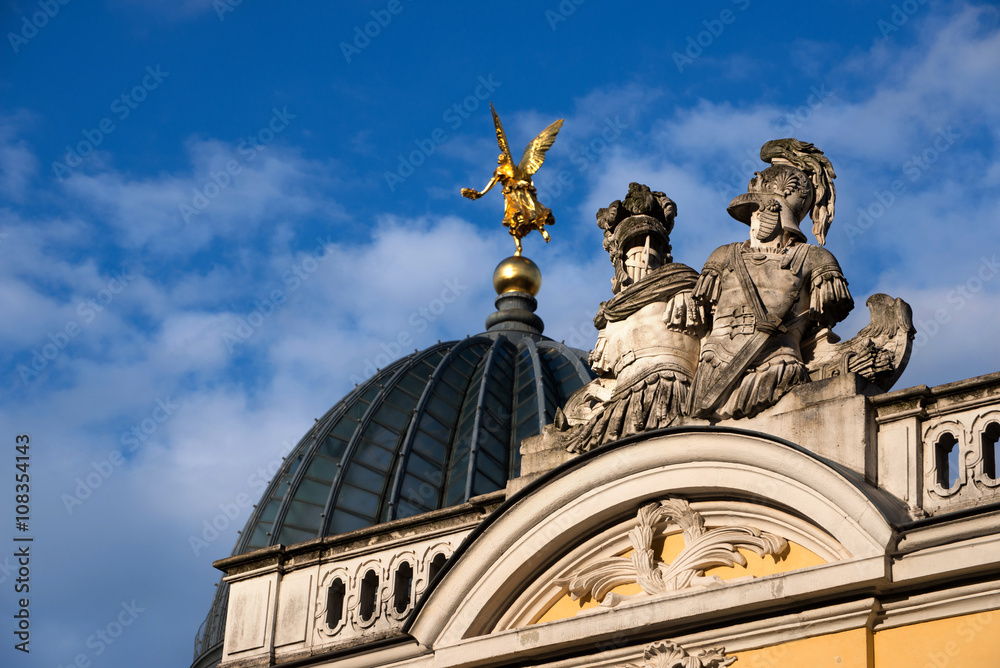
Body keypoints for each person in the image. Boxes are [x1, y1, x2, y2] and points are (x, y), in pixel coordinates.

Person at [689, 139, 853, 420]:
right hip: (713, 368)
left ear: (777, 213)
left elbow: (828, 312)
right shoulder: (723, 256)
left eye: (759, 210)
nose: (753, 219)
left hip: (777, 366)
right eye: (752, 212)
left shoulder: (816, 259)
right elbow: (699, 312)